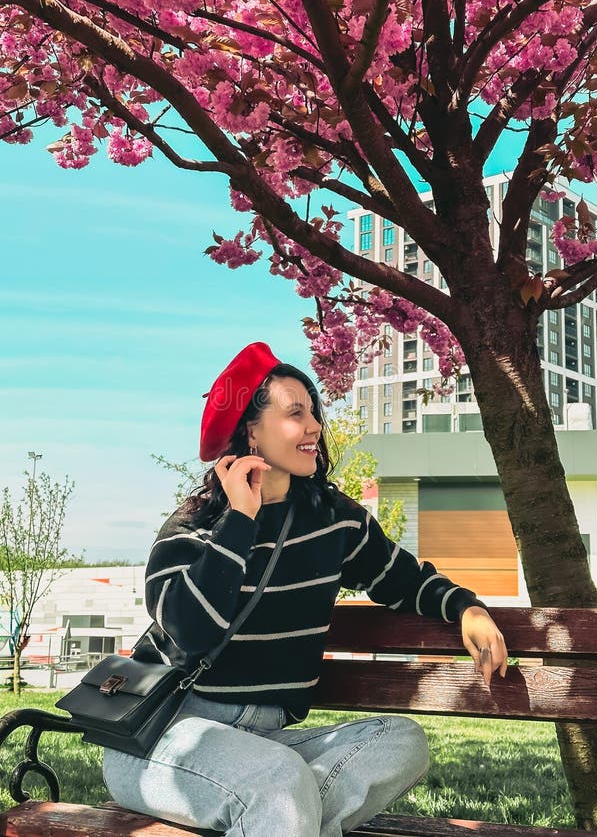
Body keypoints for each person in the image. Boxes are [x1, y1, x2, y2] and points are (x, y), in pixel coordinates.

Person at [103, 342, 508, 836]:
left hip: (268, 743)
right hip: (162, 740)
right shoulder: (193, 529)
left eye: (313, 411)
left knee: (400, 741)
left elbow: (403, 580)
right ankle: (272, 813)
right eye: (296, 413)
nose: (315, 425)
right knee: (278, 782)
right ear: (251, 430)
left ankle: (268, 819)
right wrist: (240, 521)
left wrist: (467, 608)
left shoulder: (335, 522)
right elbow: (192, 629)